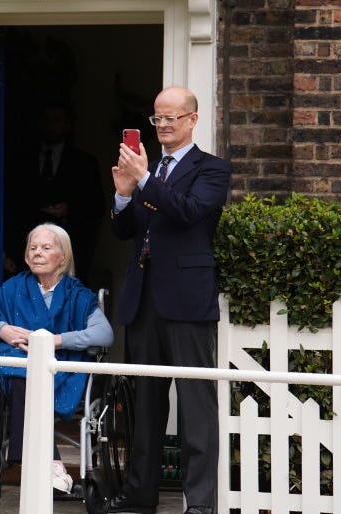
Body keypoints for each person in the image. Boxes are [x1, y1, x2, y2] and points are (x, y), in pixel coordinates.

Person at [107, 86, 230, 514]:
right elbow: (127, 232)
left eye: (171, 118)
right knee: (145, 406)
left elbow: (187, 212)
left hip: (187, 300)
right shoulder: (150, 167)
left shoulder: (212, 169)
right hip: (143, 302)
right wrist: (124, 194)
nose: (162, 125)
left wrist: (142, 180)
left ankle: (199, 505)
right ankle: (140, 497)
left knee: (196, 407)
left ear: (192, 119)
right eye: (156, 118)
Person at [0, 223, 113, 496]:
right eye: (33, 248)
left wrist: (56, 340)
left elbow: (104, 334)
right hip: (7, 366)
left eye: (46, 248)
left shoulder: (78, 295)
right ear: (26, 257)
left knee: (23, 379)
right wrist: (0, 329)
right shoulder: (12, 288)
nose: (37, 253)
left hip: (57, 371)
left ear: (63, 256)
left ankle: (49, 463)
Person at [5, 103, 105, 286]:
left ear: (68, 125)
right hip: (26, 253)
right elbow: (11, 204)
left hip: (69, 251)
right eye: (46, 120)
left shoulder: (84, 162)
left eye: (57, 120)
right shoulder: (21, 159)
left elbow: (96, 207)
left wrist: (69, 209)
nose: (51, 125)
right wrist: (8, 251)